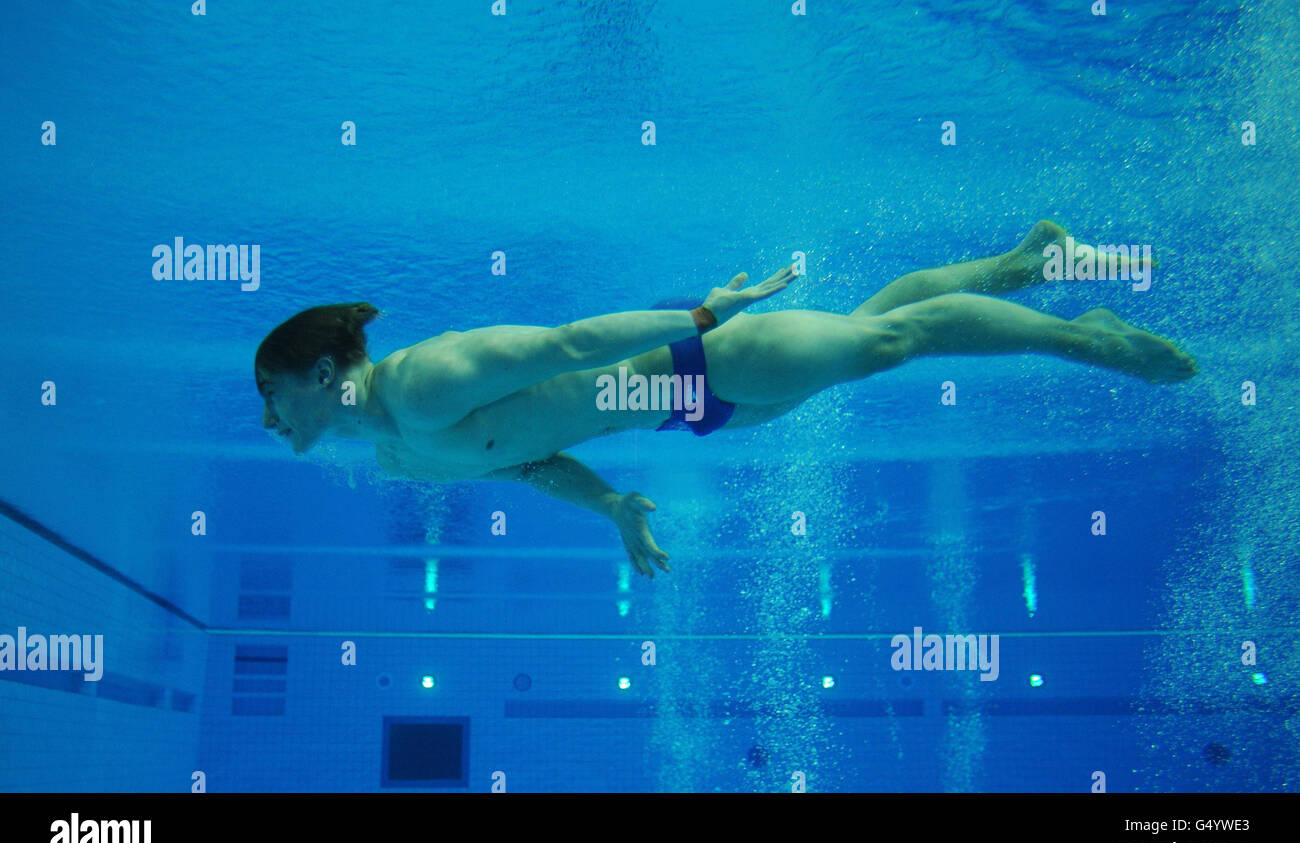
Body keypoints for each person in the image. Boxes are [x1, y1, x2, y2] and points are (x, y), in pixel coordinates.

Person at [255, 221, 1195, 578]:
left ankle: (1089, 338)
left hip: (696, 354)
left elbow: (567, 343)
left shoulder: (421, 382)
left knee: (882, 344)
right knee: (870, 342)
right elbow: (526, 455)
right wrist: (610, 505)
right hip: (681, 404)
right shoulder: (398, 449)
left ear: (315, 375)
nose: (269, 421)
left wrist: (706, 312)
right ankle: (1015, 265)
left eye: (272, 397)